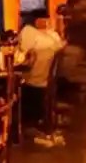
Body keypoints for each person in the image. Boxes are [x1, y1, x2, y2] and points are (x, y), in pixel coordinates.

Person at [18, 8, 65, 139]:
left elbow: (23, 55)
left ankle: (21, 123)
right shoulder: (53, 36)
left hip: (34, 81)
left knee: (13, 86)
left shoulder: (29, 33)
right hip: (49, 81)